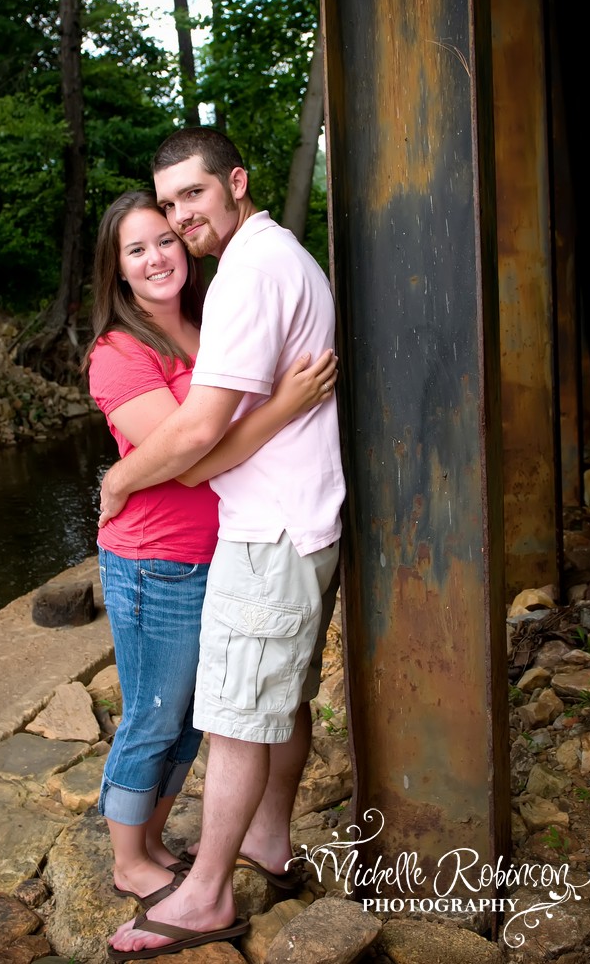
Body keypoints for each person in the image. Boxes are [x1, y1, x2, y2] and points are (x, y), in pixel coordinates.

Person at [100, 129, 346, 960]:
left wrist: (120, 480)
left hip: (270, 529)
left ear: (234, 183)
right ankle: (265, 841)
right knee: (273, 703)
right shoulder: (268, 261)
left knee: (239, 721)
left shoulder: (244, 274)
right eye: (166, 206)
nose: (179, 219)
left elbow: (201, 437)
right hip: (287, 523)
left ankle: (205, 895)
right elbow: (216, 430)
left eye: (189, 200)